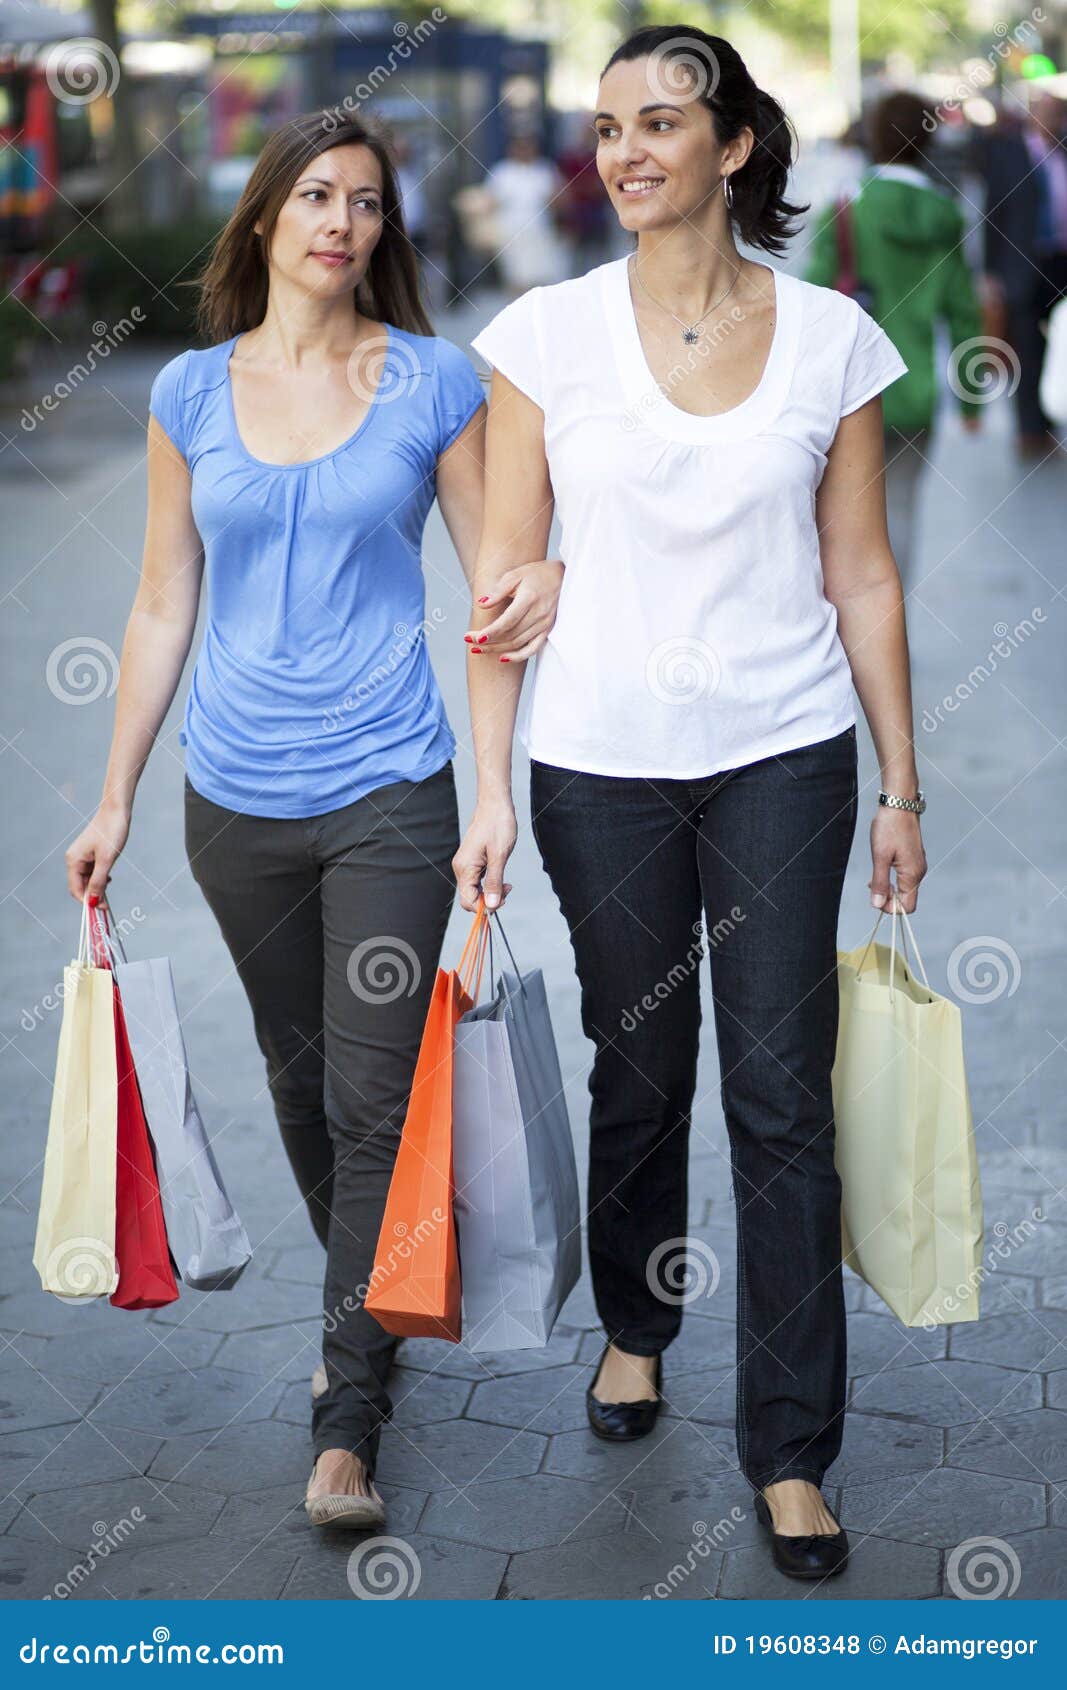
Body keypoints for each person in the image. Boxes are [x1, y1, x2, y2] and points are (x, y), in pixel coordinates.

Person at [455, 26, 927, 1582]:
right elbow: (503, 581)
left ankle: (790, 1449)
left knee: (781, 1097)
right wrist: (490, 797)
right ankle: (635, 1321)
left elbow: (859, 571)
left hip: (783, 751)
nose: (626, 149)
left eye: (662, 121)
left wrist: (899, 786)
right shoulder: (542, 337)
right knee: (639, 1063)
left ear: (734, 146)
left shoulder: (830, 342)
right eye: (607, 127)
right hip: (597, 759)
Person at [63, 111, 563, 1532]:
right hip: (232, 801)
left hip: (389, 791)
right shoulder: (189, 393)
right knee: (301, 1090)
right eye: (317, 197)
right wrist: (112, 796)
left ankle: (347, 1406)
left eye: (366, 203)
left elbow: (490, 601)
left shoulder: (428, 381)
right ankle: (375, 1302)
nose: (341, 221)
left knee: (373, 1097)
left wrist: (488, 788)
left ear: (381, 233)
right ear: (267, 216)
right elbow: (163, 601)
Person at [806, 91, 983, 582]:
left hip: (846, 388)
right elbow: (964, 309)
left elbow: (815, 297)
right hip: (916, 387)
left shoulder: (845, 206)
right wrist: (973, 403)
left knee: (841, 511)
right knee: (901, 508)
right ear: (927, 141)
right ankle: (891, 629)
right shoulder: (944, 214)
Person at [970, 91, 1067, 457]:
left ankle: (1054, 413)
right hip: (1025, 265)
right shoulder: (1008, 154)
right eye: (1046, 112)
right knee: (1028, 345)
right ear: (1032, 115)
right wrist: (991, 273)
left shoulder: (1063, 151)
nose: (1052, 120)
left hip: (1061, 259)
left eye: (1058, 113)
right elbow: (992, 216)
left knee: (1059, 344)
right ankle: (1031, 429)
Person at [483, 131, 568, 295]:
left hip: (540, 232)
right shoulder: (502, 172)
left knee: (542, 277)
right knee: (516, 278)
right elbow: (489, 202)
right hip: (511, 233)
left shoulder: (544, 169)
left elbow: (560, 200)